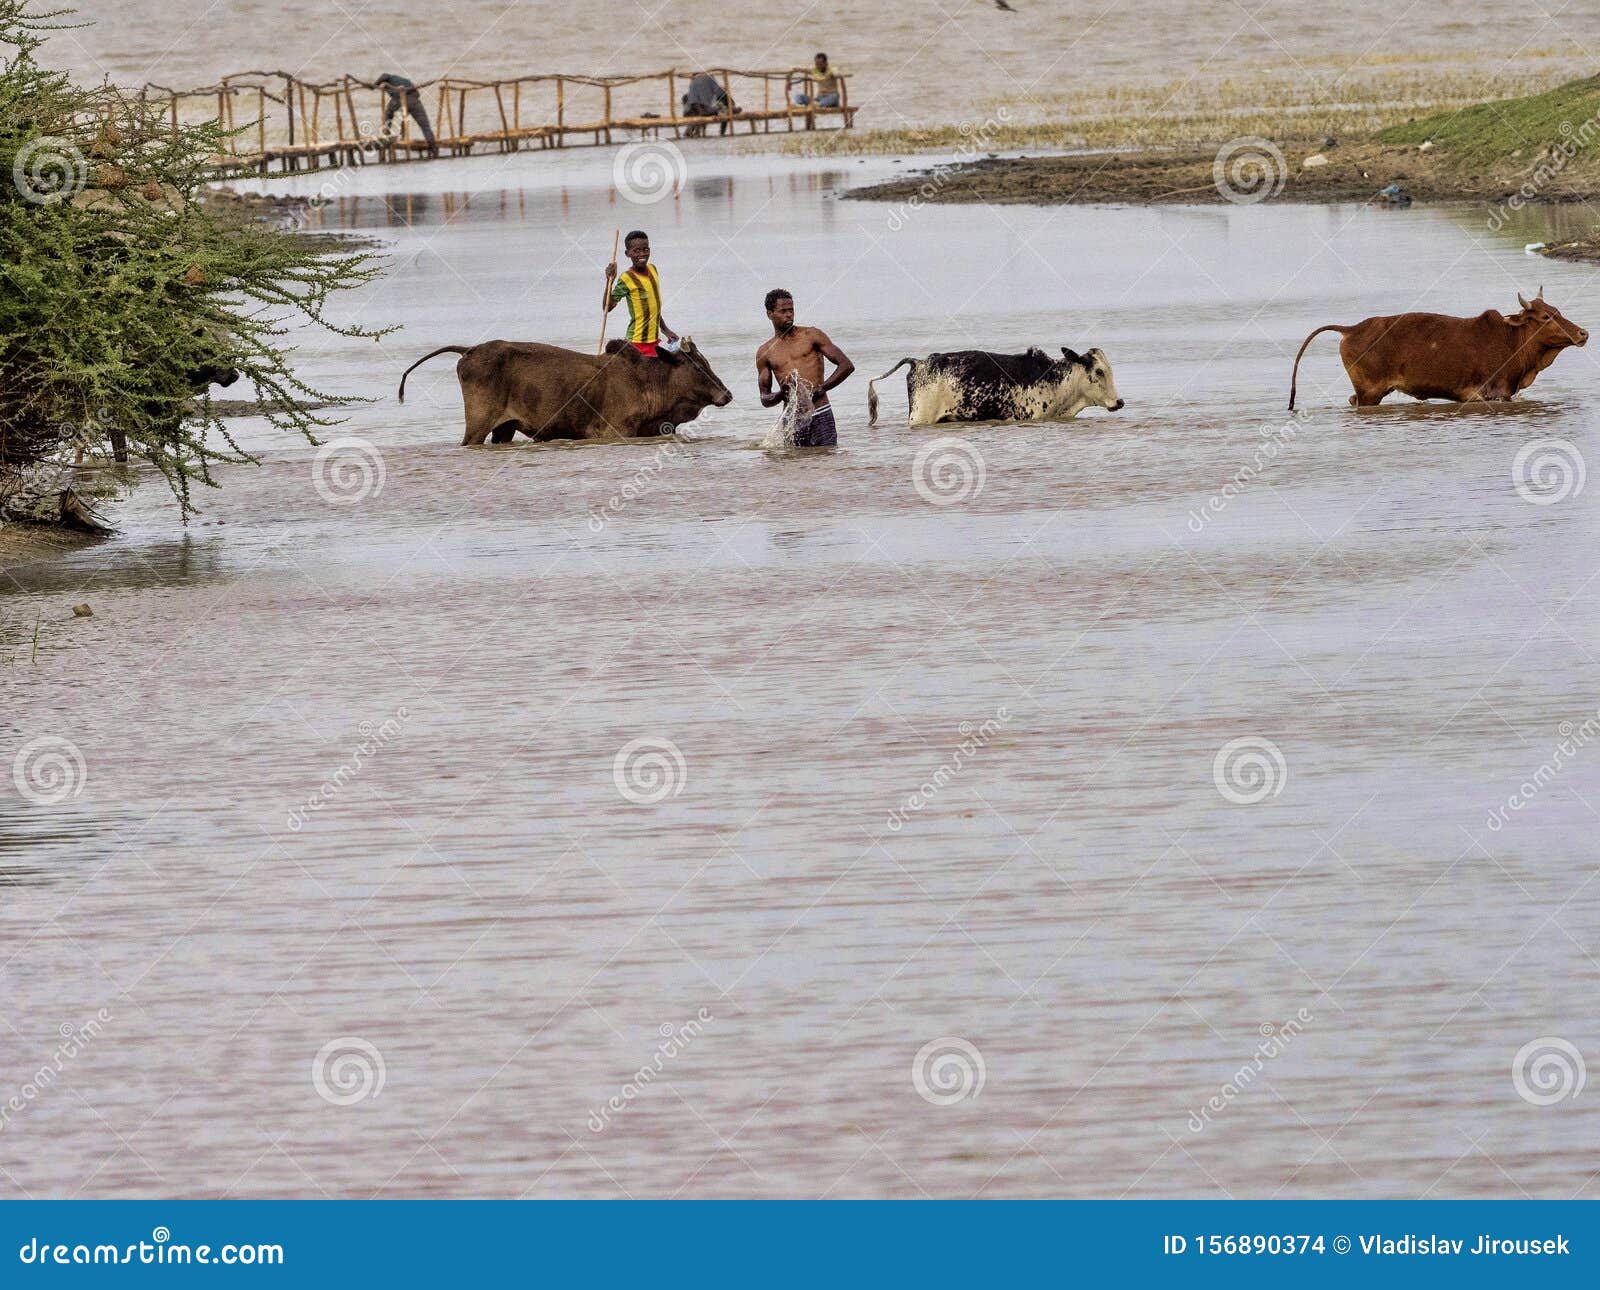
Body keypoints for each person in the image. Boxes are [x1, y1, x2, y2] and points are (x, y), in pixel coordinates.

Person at [756, 289, 854, 447]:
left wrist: (821, 389)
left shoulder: (811, 335)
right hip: (792, 420)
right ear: (770, 314)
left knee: (828, 461)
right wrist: (782, 393)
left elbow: (846, 365)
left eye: (791, 310)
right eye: (783, 311)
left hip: (820, 412)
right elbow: (765, 399)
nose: (789, 315)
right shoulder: (765, 352)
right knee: (794, 466)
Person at [605, 231, 679, 357]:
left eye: (645, 249)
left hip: (654, 341)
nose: (642, 254)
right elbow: (608, 307)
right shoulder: (627, 278)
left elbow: (652, 309)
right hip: (637, 343)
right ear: (628, 254)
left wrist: (665, 330)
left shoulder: (653, 269)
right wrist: (609, 281)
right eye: (636, 251)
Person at [373, 72, 438, 155]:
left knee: (388, 113)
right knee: (425, 126)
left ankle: (386, 134)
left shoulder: (389, 78)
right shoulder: (404, 80)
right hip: (415, 101)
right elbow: (417, 94)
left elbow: (385, 75)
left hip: (401, 98)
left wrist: (373, 85)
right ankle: (433, 148)